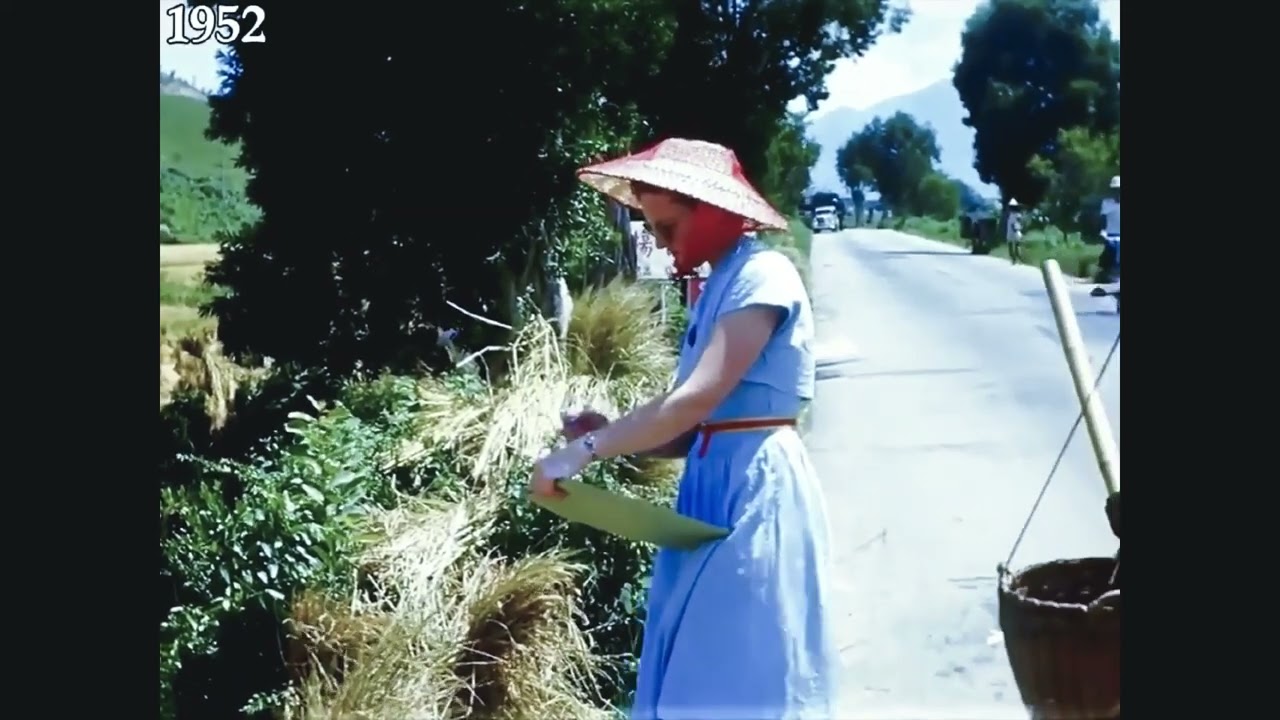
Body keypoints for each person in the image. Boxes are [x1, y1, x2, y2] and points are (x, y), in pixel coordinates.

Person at [529, 138, 837, 719]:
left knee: (742, 668)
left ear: (713, 211)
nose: (663, 244)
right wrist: (608, 431)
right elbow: (693, 425)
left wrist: (586, 451)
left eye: (669, 228)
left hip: (754, 491)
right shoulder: (714, 284)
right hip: (712, 486)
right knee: (700, 668)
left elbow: (693, 400)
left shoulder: (763, 275)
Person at [1098, 175, 1121, 280]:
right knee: (1111, 252)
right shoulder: (1107, 203)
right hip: (1111, 234)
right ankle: (1107, 272)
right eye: (1115, 190)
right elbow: (1103, 219)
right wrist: (1103, 231)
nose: (1117, 192)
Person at [1005, 198, 1024, 264]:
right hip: (1016, 231)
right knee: (1017, 245)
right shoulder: (1018, 215)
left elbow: (1018, 223)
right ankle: (1017, 258)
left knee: (1012, 245)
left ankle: (1014, 258)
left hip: (1013, 231)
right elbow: (1020, 223)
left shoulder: (1010, 215)